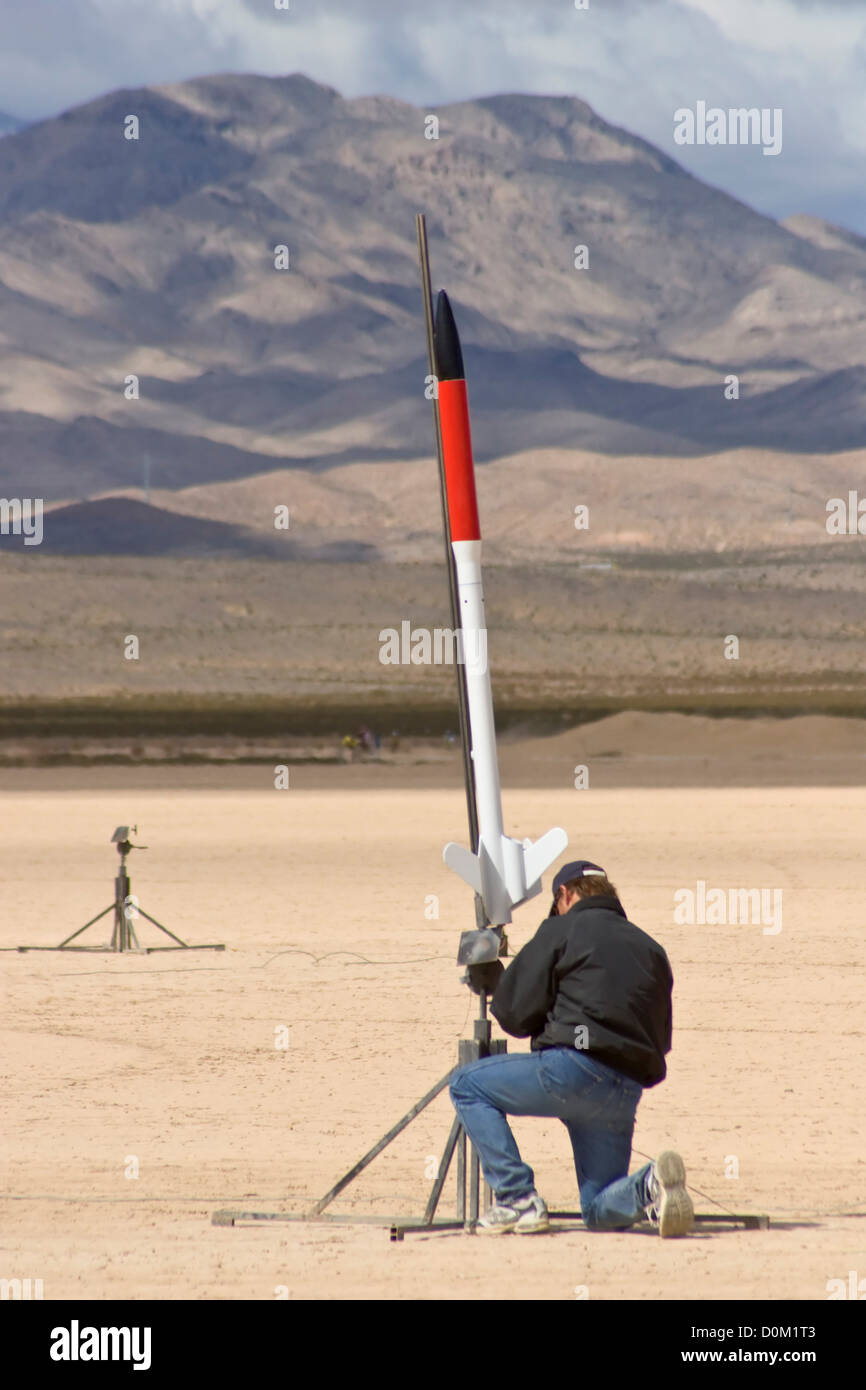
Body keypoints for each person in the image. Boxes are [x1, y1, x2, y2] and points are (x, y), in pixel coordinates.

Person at [449, 860, 694, 1238]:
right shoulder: (651, 948)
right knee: (597, 1209)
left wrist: (497, 983)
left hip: (573, 1071)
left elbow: (516, 1015)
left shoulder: (562, 929)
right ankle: (650, 1184)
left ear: (565, 894)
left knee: (467, 1084)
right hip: (625, 1090)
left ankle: (517, 1197)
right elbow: (660, 1039)